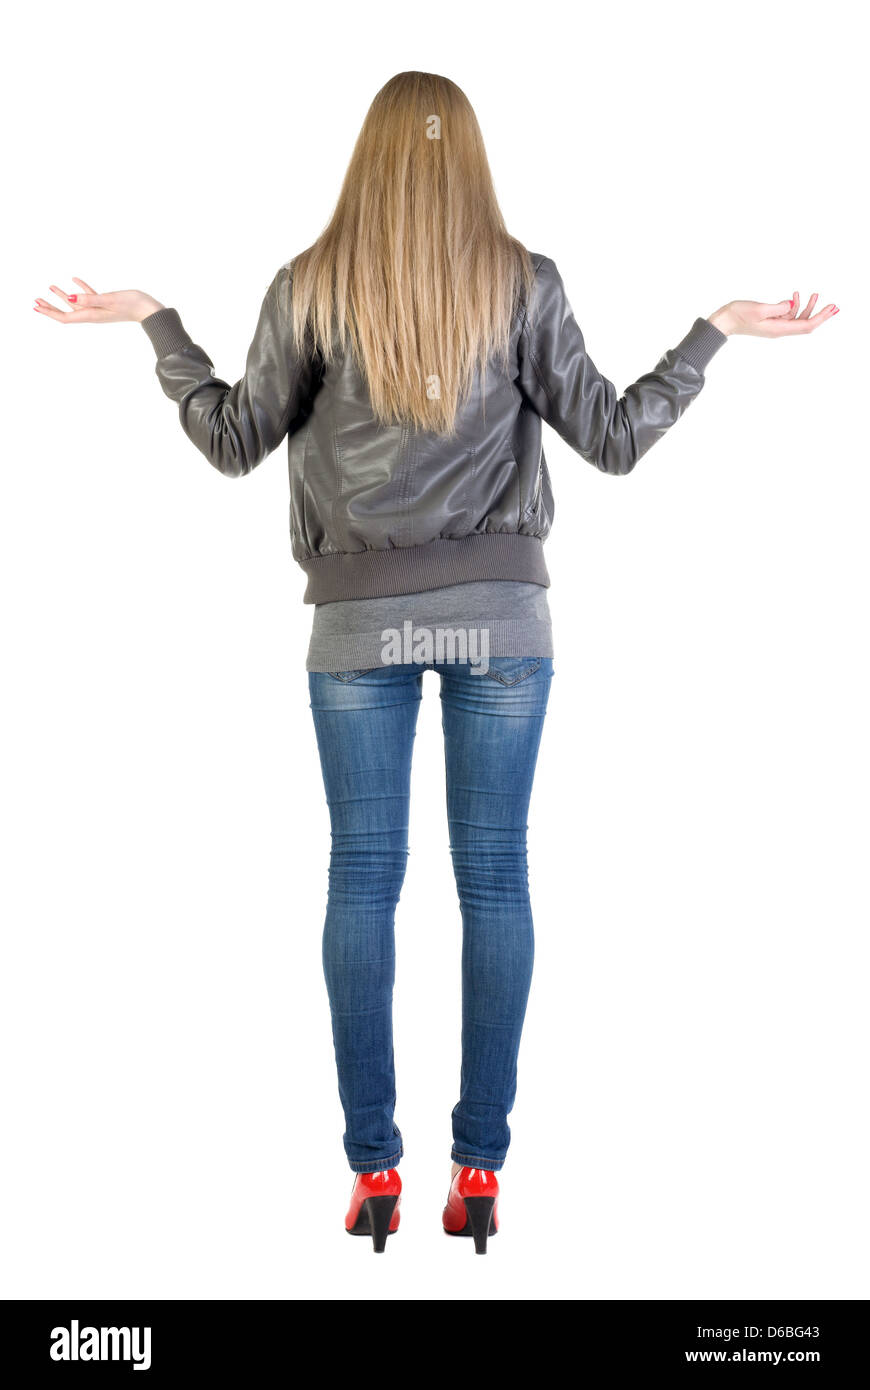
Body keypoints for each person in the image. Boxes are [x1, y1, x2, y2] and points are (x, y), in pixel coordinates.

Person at [34, 70, 838, 1256]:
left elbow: (228, 442)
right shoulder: (524, 285)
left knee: (363, 882)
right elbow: (614, 440)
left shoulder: (311, 289)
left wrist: (161, 325)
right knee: (496, 883)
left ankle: (372, 1178)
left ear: (369, 156)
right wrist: (708, 335)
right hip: (502, 624)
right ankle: (479, 1170)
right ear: (469, 156)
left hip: (358, 626)